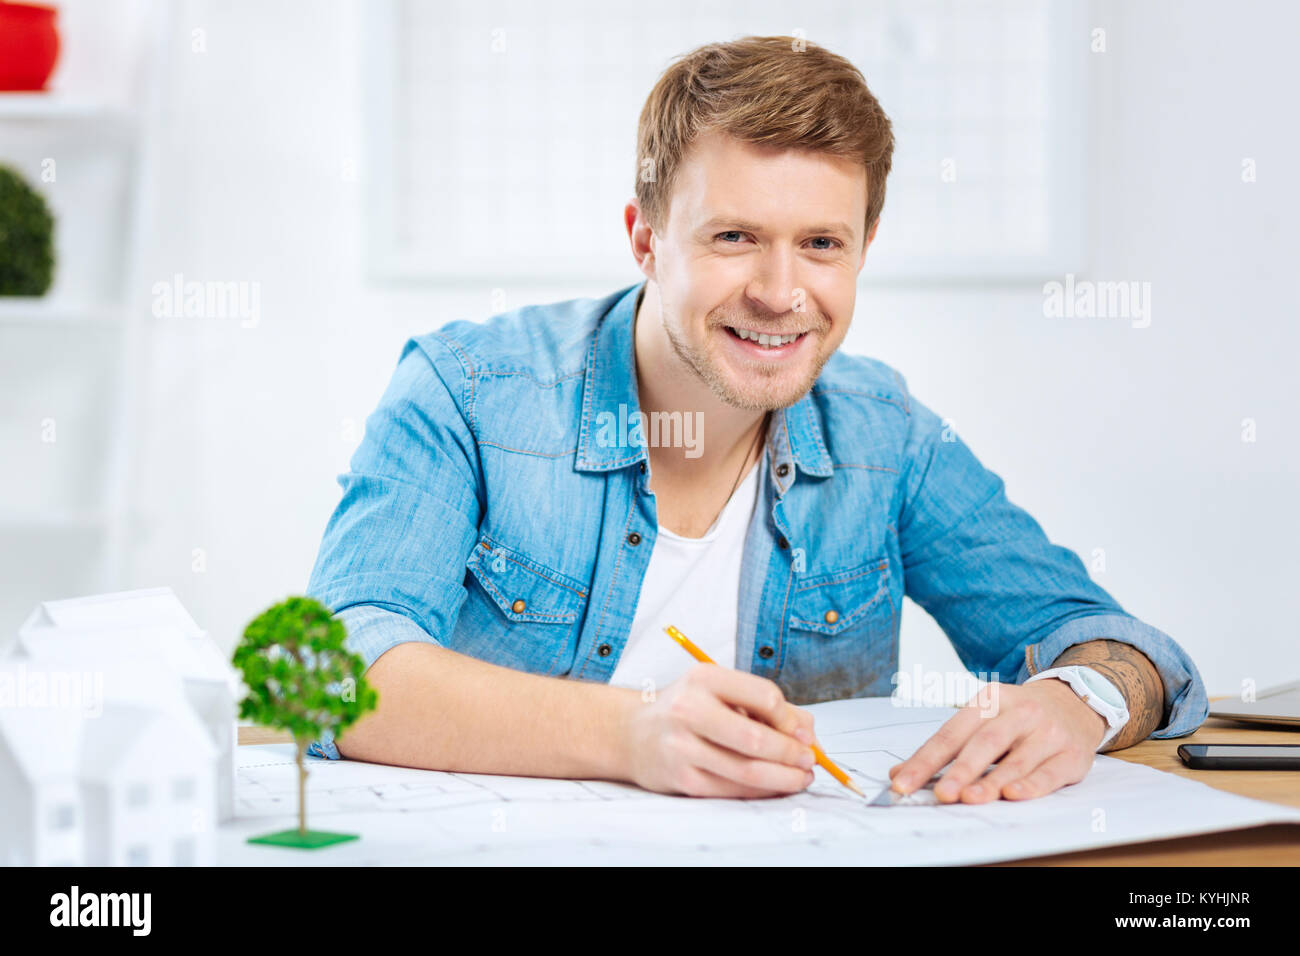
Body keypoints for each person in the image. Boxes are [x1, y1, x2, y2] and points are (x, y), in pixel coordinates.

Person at [305, 36, 1207, 804]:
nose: (781, 296)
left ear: (864, 249)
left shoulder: (882, 434)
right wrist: (633, 736)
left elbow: (1114, 642)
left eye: (821, 245)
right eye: (734, 237)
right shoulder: (466, 392)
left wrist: (1076, 699)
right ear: (646, 238)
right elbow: (335, 675)